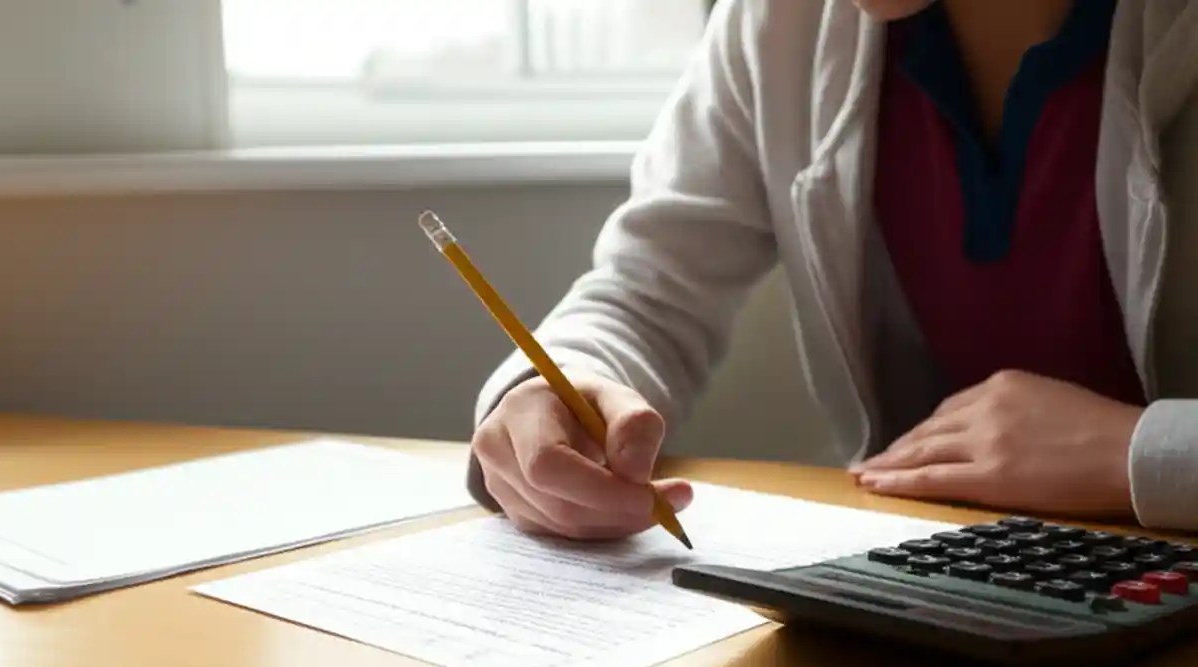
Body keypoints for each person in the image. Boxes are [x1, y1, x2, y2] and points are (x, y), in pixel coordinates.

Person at [467, 0, 1198, 541]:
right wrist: (554, 388)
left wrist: (1138, 452)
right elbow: (645, 294)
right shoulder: (785, 22)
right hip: (949, 588)